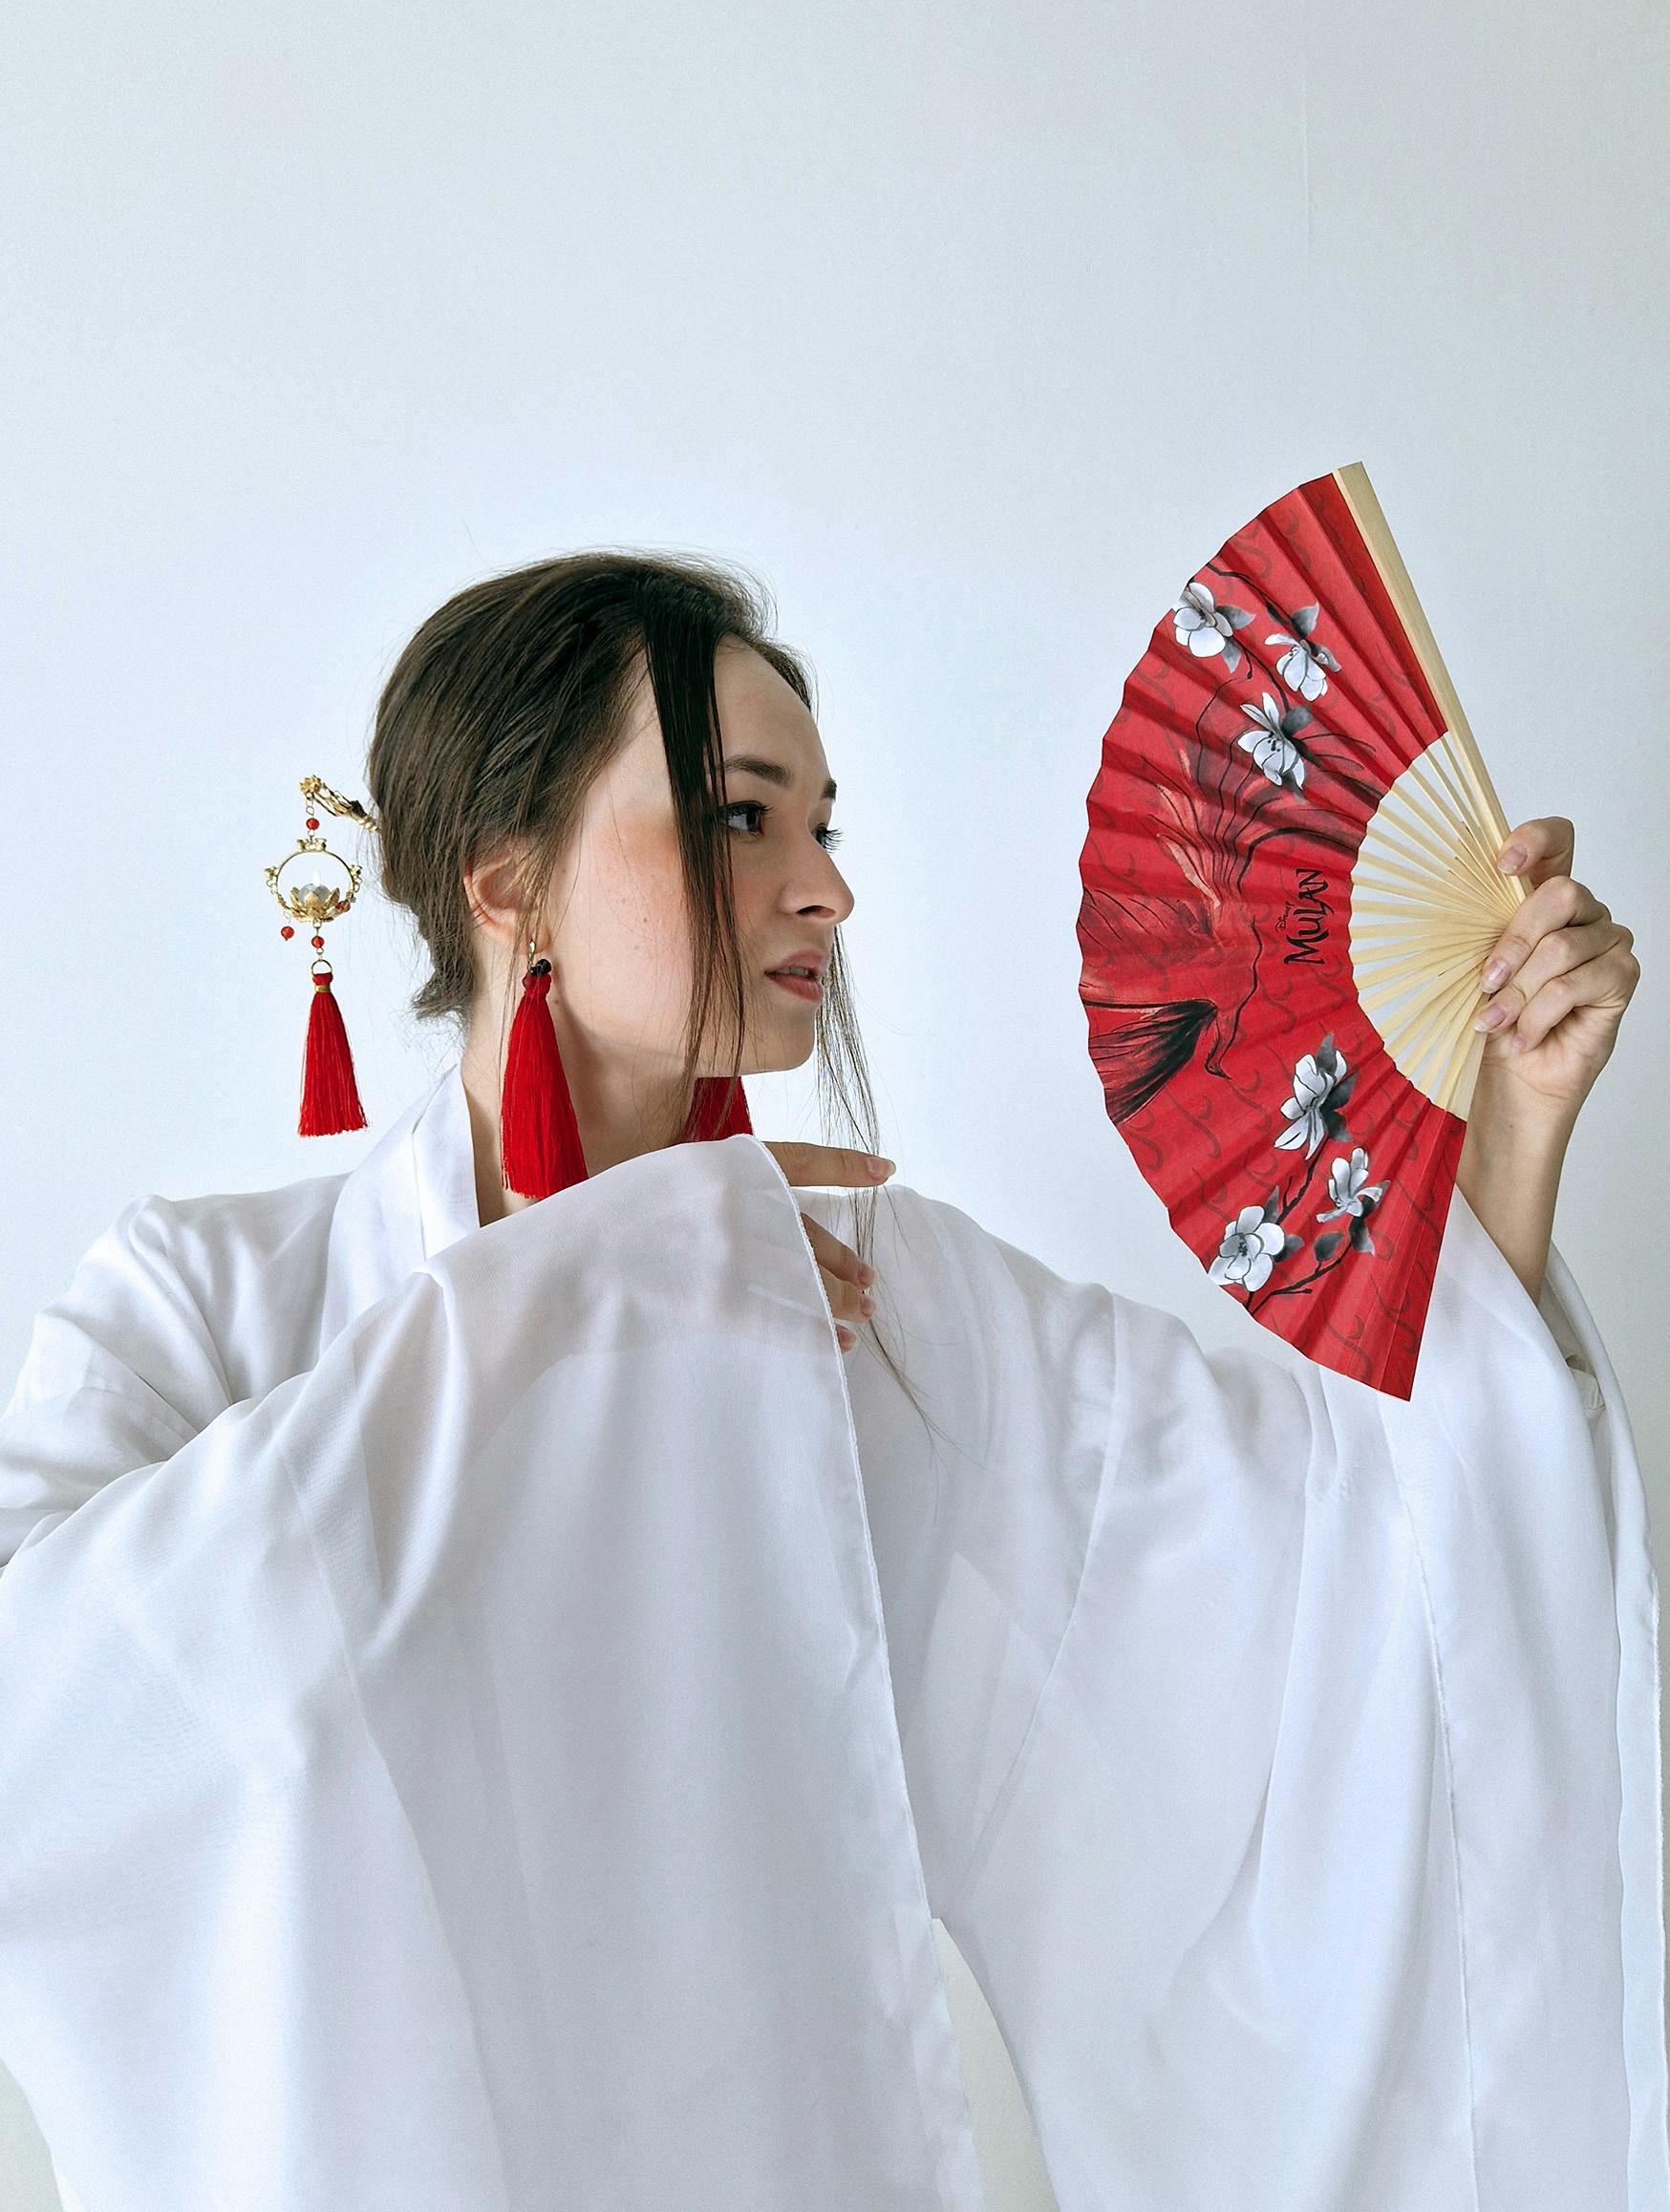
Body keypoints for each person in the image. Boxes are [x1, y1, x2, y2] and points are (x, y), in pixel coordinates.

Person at [0, 553, 1659, 2212]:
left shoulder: (865, 1298)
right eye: (741, 818)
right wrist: (574, 1299)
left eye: (825, 825)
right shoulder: (206, 1301)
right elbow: (48, 1735)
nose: (826, 891)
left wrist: (1501, 1144)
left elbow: (1328, 1584)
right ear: (507, 886)